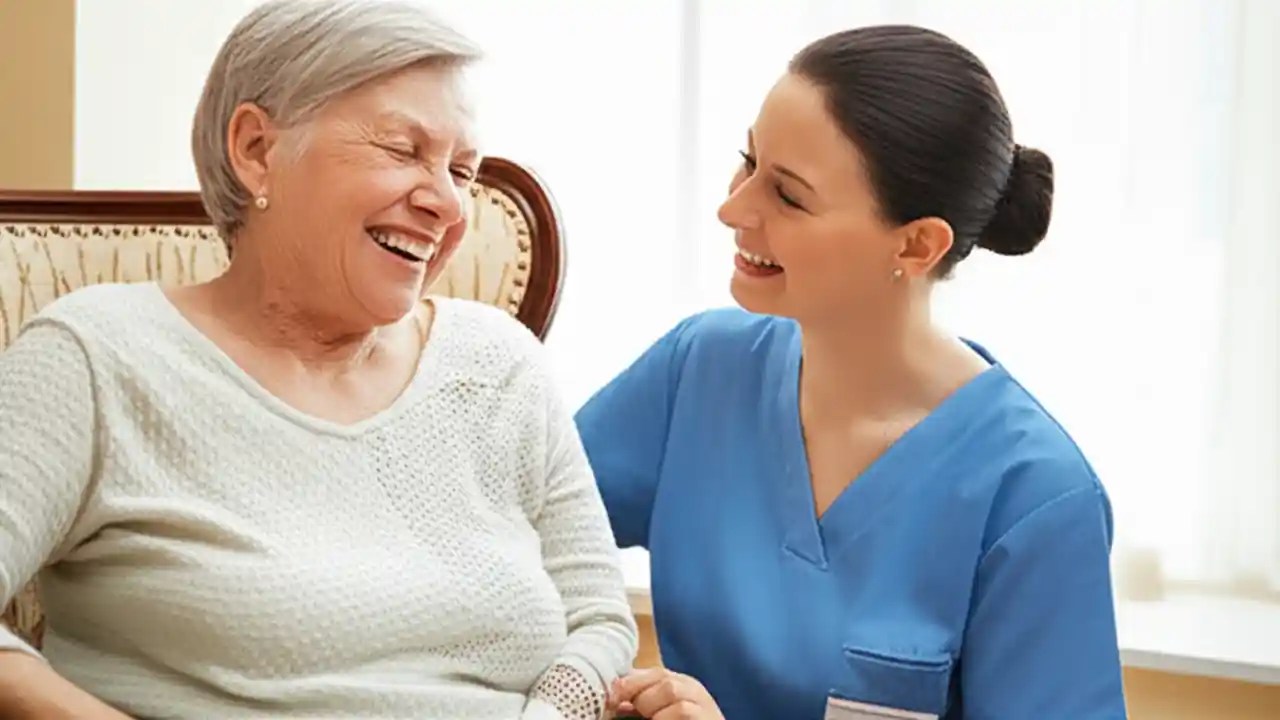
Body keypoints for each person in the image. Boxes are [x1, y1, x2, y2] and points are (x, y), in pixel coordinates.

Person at [0, 1, 636, 718]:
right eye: (403, 151)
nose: (450, 206)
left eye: (462, 170)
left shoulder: (498, 365)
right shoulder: (97, 357)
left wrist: (551, 715)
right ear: (256, 150)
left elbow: (599, 620)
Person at [578, 25, 1126, 720]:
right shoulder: (698, 371)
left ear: (918, 243)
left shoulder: (1035, 498)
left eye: (788, 196)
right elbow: (501, 532)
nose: (732, 209)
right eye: (747, 163)